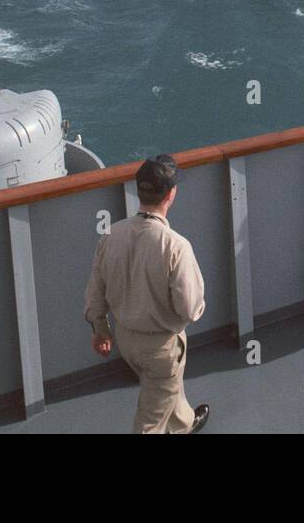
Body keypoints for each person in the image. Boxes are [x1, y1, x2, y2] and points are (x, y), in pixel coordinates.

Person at [84, 155, 210, 434]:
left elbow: (96, 290)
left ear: (139, 191)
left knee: (163, 390)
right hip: (161, 348)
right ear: (171, 194)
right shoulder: (176, 246)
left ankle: (183, 424)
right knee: (149, 422)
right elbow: (190, 308)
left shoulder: (110, 235)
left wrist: (101, 330)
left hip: (126, 339)